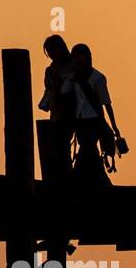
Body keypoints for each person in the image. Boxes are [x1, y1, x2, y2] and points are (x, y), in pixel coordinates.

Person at [68, 42, 123, 185]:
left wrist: (114, 126)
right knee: (88, 150)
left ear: (88, 57)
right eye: (74, 57)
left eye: (79, 57)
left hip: (94, 121)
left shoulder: (97, 78)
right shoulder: (73, 78)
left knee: (88, 149)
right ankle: (97, 180)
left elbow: (106, 103)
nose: (77, 60)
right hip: (80, 121)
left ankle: (82, 178)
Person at [37, 34, 75, 177]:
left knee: (65, 145)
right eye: (49, 51)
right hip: (57, 113)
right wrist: (45, 103)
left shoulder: (74, 66)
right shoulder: (51, 70)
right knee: (59, 146)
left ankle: (69, 175)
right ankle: (64, 175)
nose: (51, 54)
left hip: (74, 112)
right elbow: (49, 91)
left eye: (52, 50)